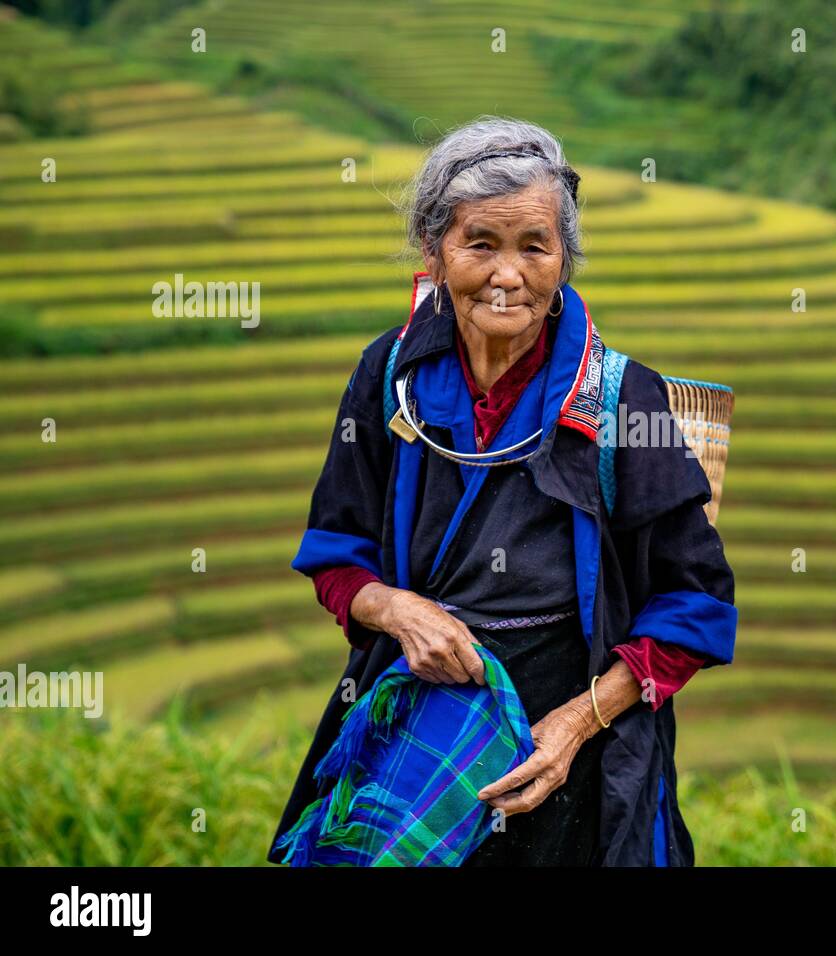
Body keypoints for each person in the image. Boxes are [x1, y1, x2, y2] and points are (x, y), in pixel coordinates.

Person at [266, 116, 738, 866]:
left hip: (575, 764)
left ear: (565, 260)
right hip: (421, 738)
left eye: (535, 247)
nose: (507, 275)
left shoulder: (621, 400)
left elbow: (699, 605)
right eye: (479, 242)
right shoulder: (389, 378)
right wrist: (397, 610)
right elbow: (336, 556)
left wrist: (577, 724)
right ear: (435, 249)